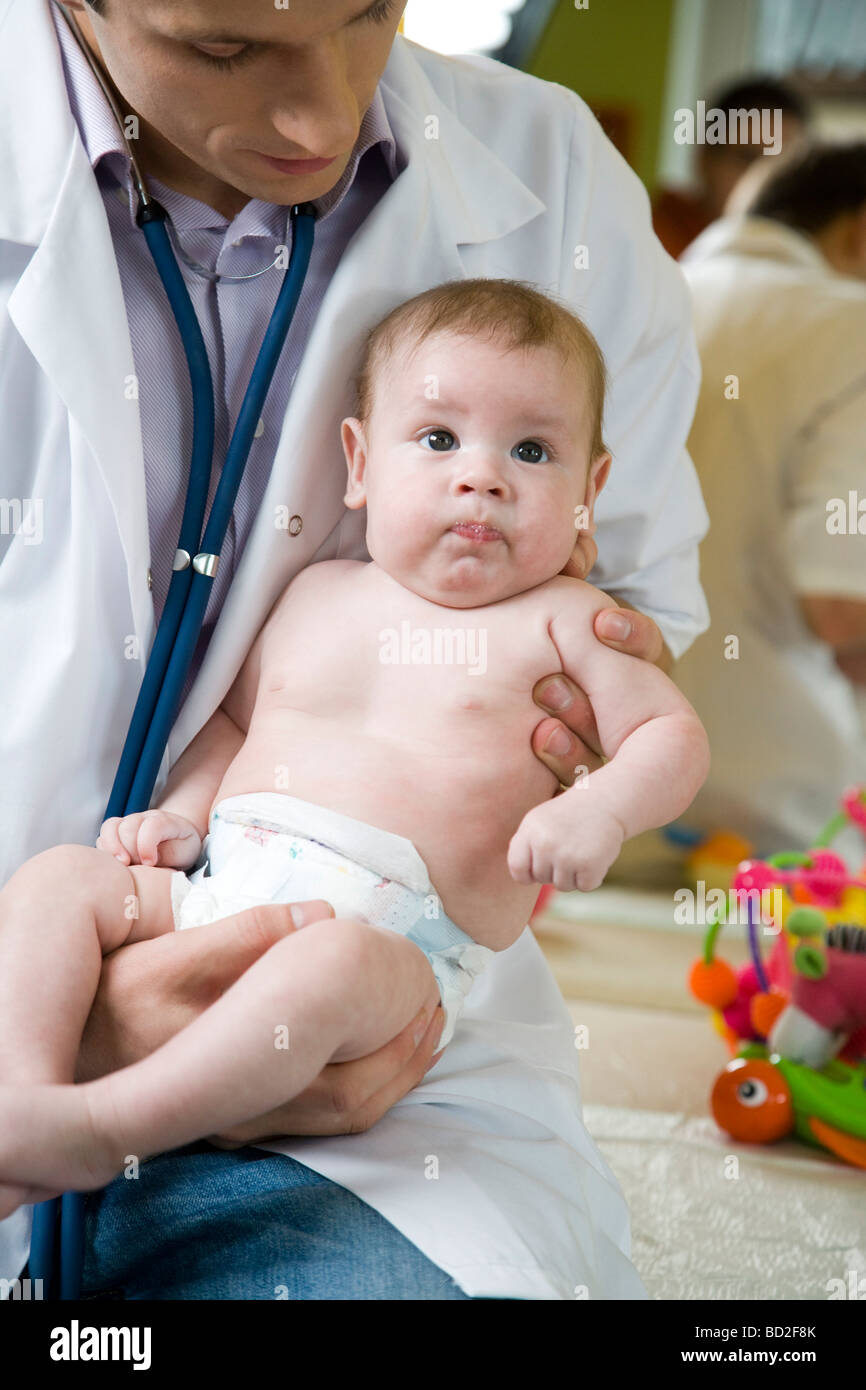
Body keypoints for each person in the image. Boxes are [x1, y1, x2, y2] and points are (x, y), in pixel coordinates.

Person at [0, 0, 710, 1300]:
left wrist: (591, 789)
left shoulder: (552, 177)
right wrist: (171, 838)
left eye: (370, 13)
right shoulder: (320, 597)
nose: (322, 114)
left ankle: (104, 1124)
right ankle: (32, 1096)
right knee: (52, 884)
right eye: (224, 48)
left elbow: (656, 684)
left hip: (379, 1081)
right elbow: (233, 726)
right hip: (164, 921)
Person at [668, 143, 866, 859]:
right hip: (768, 806)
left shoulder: (646, 294)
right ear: (859, 232)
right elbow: (839, 604)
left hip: (589, 775)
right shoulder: (851, 326)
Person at [652, 75, 809, 261]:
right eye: (748, 158)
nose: (766, 182)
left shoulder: (799, 255)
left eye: (783, 168)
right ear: (705, 159)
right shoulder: (651, 241)